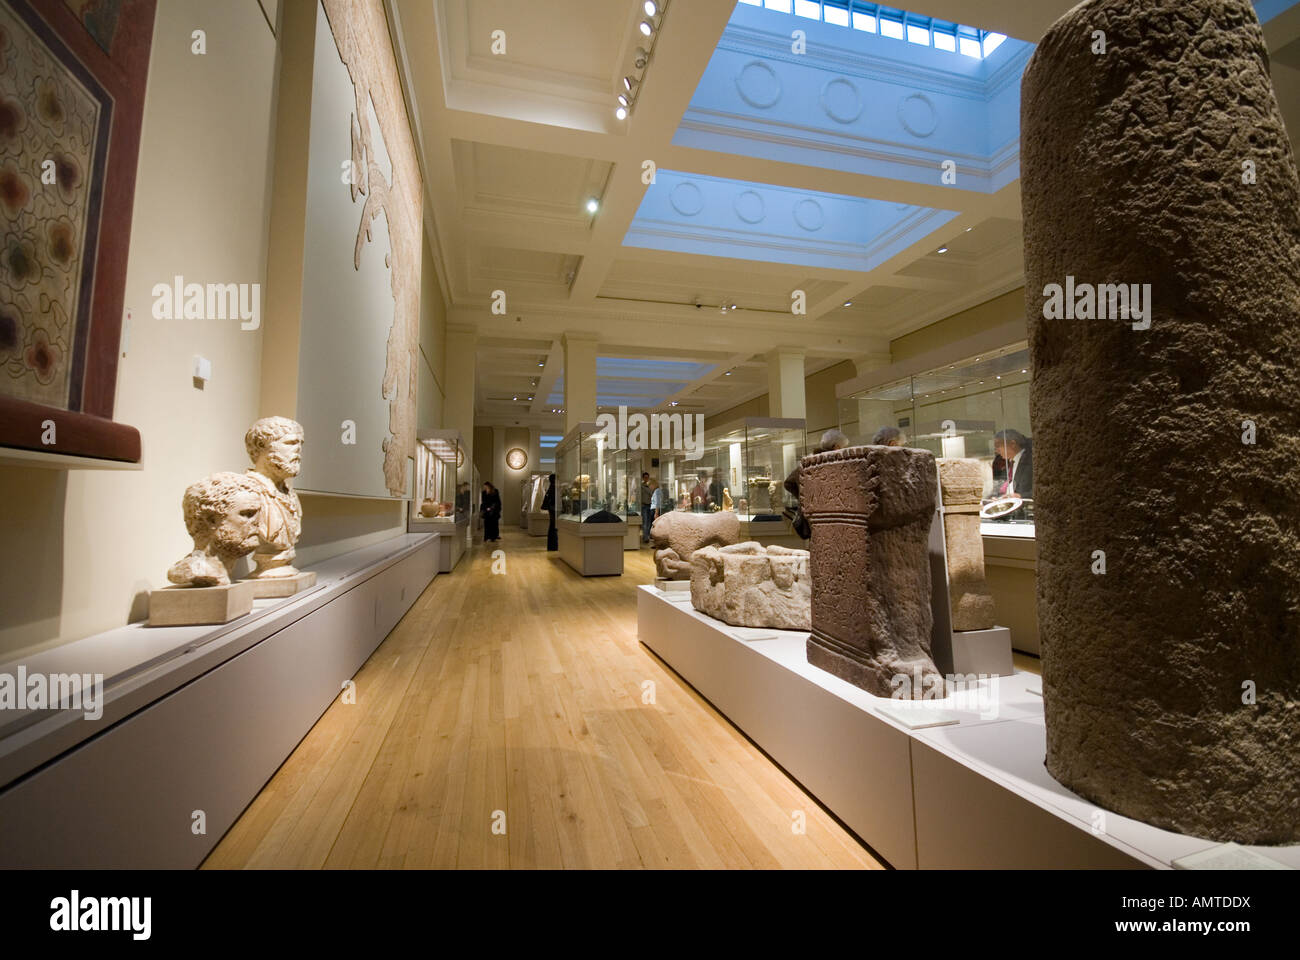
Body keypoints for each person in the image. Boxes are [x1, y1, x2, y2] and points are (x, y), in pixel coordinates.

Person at [785, 428, 849, 540]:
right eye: (842, 448)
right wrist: (804, 497)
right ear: (836, 447)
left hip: (816, 515)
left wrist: (804, 497)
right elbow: (789, 483)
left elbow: (789, 482)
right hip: (829, 516)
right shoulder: (831, 463)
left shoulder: (810, 462)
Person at [993, 429, 1033, 500]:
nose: (996, 451)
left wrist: (1020, 496)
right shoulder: (1008, 464)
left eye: (998, 446)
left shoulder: (1030, 461)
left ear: (1012, 444)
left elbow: (1041, 489)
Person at [542, 474, 557, 551]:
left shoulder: (551, 488)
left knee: (552, 527)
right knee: (553, 527)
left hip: (552, 510)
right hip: (553, 510)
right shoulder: (553, 488)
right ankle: (553, 546)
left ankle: (552, 546)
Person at [639, 471, 654, 543]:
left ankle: (647, 535)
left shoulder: (648, 486)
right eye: (645, 477)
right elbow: (650, 493)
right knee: (645, 522)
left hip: (649, 505)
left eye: (647, 477)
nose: (646, 479)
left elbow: (652, 494)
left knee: (649, 522)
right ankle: (645, 537)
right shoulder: (642, 486)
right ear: (643, 478)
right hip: (644, 506)